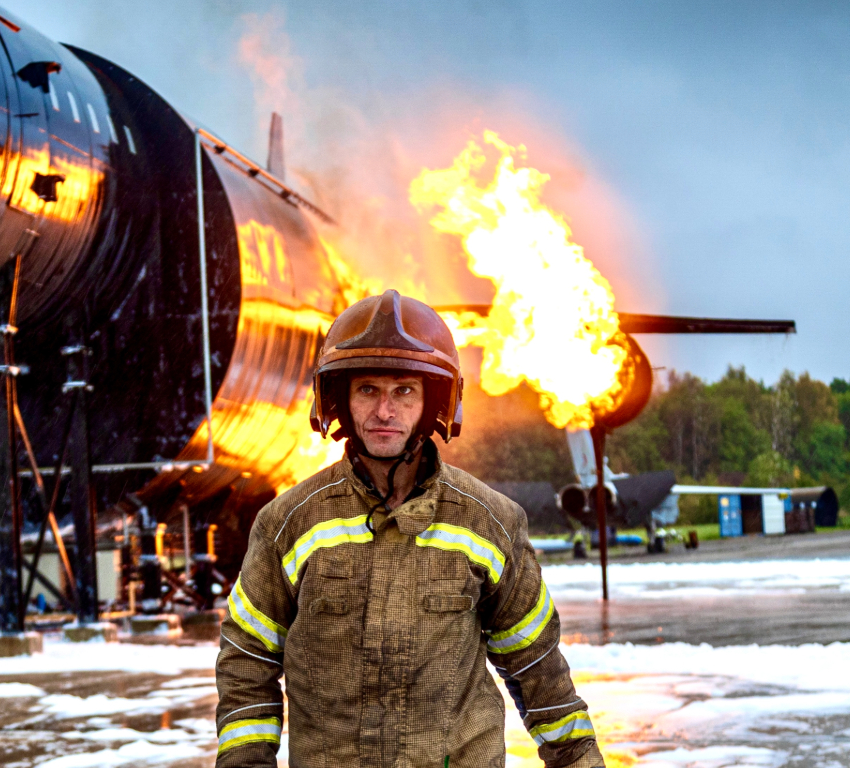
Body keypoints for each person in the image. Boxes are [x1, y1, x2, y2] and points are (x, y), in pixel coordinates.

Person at [214, 290, 604, 768]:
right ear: (337, 398)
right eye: (368, 390)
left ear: (435, 402)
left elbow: (540, 674)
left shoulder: (490, 521)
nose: (384, 411)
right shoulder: (288, 524)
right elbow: (246, 660)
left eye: (404, 390)